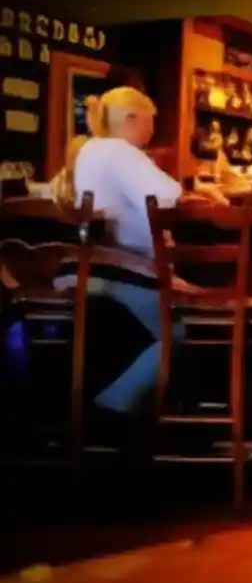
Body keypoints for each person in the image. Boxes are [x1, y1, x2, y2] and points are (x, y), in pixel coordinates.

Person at [53, 88, 193, 417]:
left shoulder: (88, 150)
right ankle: (113, 408)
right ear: (131, 118)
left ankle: (117, 413)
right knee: (182, 333)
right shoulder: (119, 151)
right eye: (150, 121)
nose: (152, 130)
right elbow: (167, 194)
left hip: (87, 272)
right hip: (120, 274)